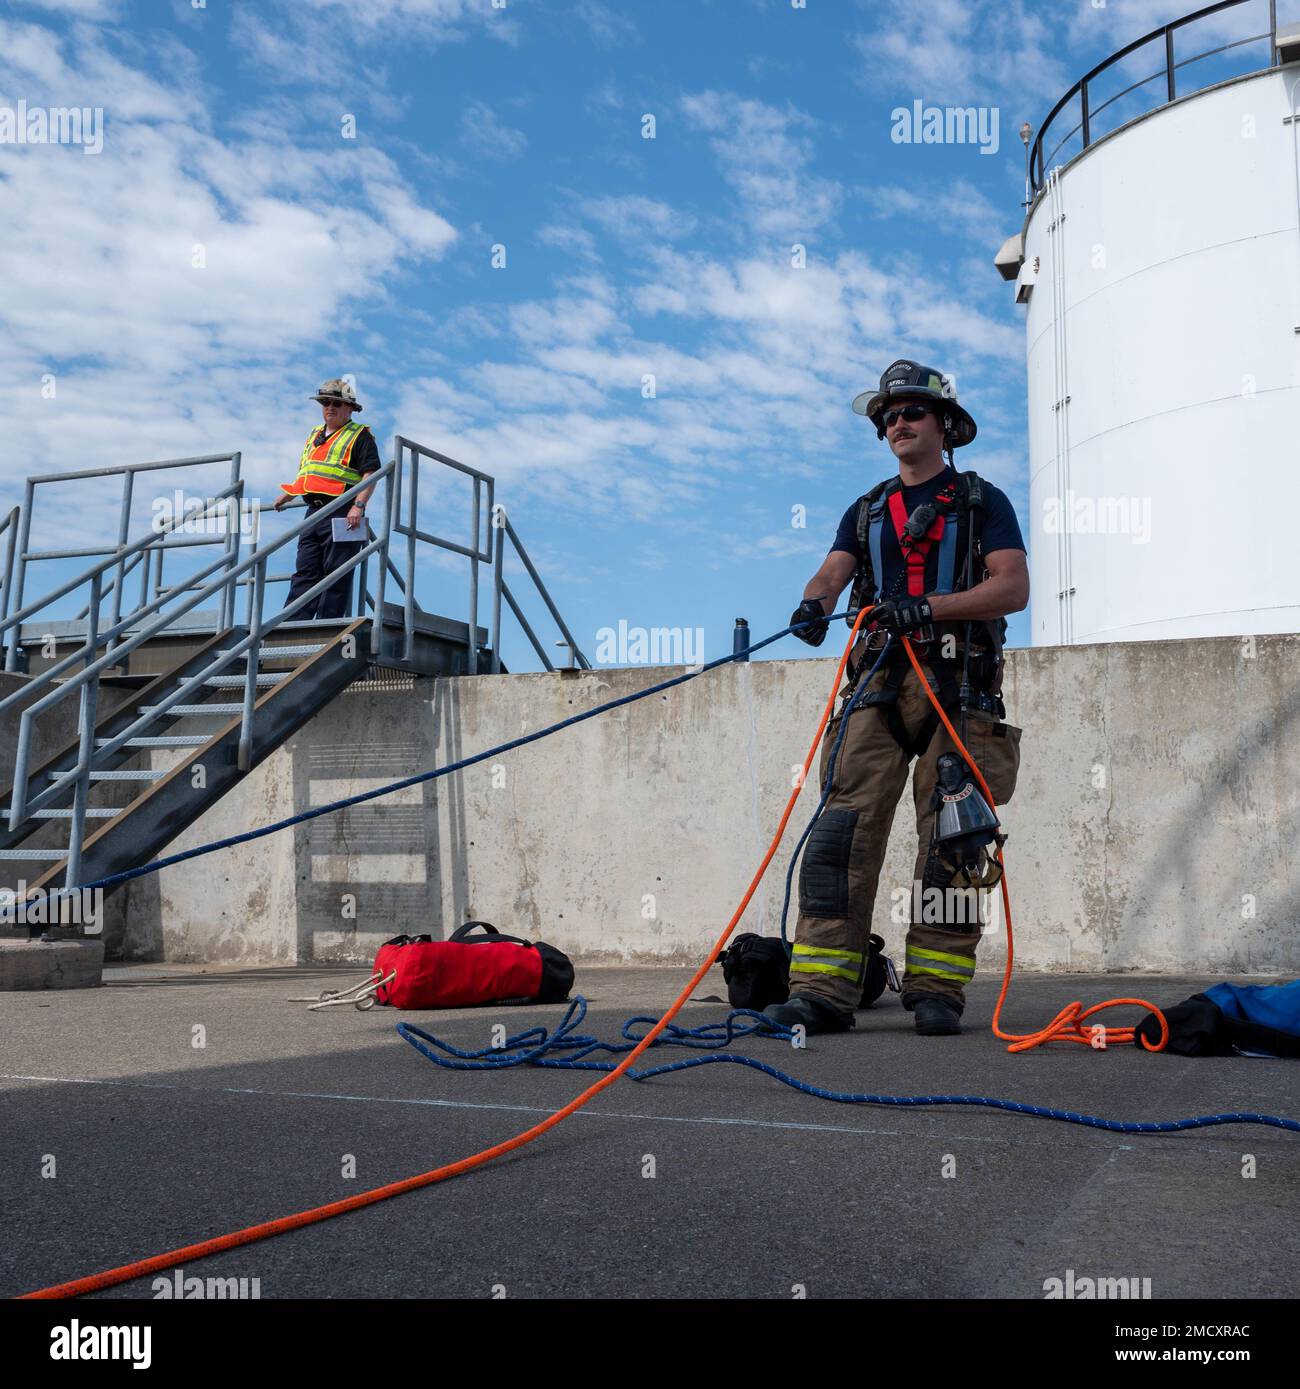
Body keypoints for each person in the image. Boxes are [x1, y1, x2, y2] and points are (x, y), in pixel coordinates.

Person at [767, 359, 1029, 1037]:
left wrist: (932, 607)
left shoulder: (982, 502)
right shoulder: (865, 510)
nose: (897, 424)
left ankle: (937, 988)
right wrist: (812, 604)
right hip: (878, 680)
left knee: (954, 834)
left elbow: (1012, 588)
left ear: (945, 425)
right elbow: (833, 571)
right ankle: (823, 988)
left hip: (958, 684)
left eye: (911, 413)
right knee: (840, 827)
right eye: (888, 418)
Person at [274, 377, 380, 620]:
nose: (330, 407)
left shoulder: (360, 436)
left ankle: (326, 625)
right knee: (305, 569)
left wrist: (358, 506)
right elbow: (309, 472)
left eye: (336, 403)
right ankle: (292, 625)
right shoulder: (314, 435)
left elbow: (370, 473)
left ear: (350, 408)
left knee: (336, 573)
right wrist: (290, 494)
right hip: (314, 512)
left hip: (343, 510)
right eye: (325, 402)